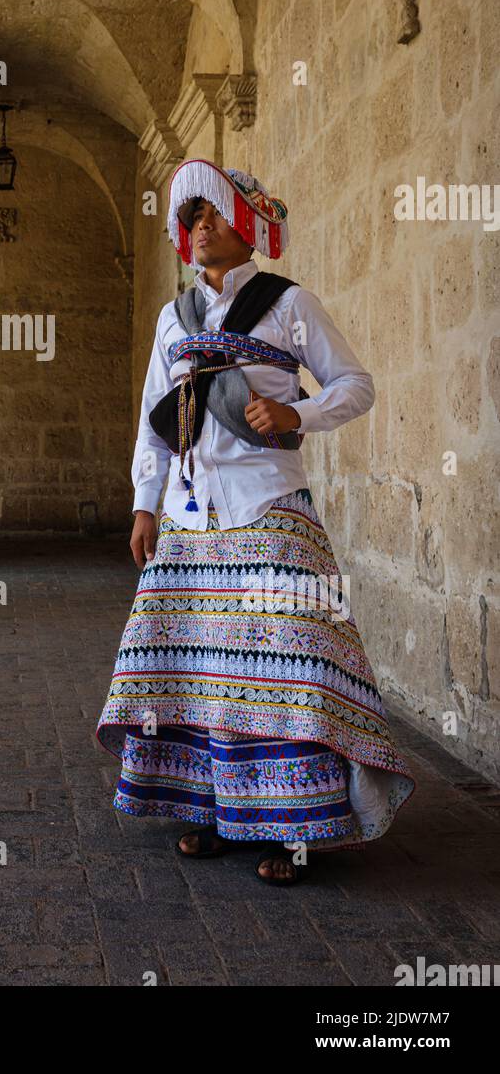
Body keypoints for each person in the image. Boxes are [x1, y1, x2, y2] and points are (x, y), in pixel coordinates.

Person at [96, 160, 415, 886]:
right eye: (190, 217)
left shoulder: (288, 303)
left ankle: (296, 827)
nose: (199, 225)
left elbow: (355, 384)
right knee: (199, 668)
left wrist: (296, 412)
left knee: (293, 664)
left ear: (247, 225)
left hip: (267, 506)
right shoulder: (171, 321)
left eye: (213, 213)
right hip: (188, 517)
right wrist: (145, 503)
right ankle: (214, 812)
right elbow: (153, 423)